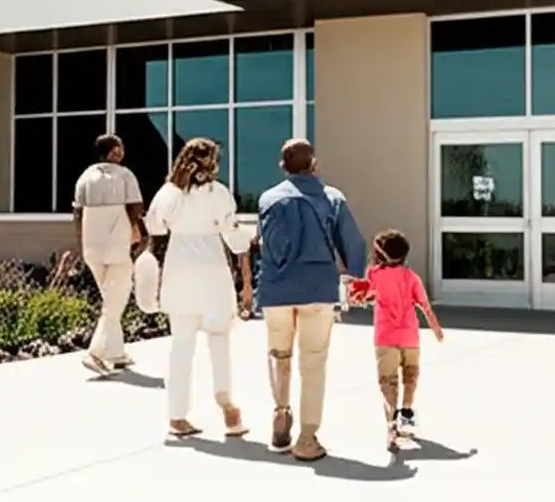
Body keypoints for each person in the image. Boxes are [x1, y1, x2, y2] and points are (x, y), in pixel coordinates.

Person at [256, 138, 367, 462]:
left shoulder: (268, 198)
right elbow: (352, 243)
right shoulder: (331, 197)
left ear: (282, 166)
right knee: (313, 361)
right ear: (313, 164)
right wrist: (357, 277)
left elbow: (267, 243)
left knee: (279, 354)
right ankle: (307, 437)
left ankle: (280, 413)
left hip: (276, 288)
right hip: (318, 286)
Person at [146, 138, 251, 438]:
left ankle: (177, 416)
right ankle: (228, 407)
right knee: (219, 342)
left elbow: (155, 226)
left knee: (181, 346)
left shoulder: (171, 194)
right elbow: (233, 238)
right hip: (212, 272)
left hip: (180, 272)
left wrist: (175, 188)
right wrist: (246, 278)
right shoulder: (218, 194)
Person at [72, 133, 145, 376]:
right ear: (113, 152)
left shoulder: (84, 178)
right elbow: (135, 207)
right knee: (117, 299)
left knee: (110, 298)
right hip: (117, 243)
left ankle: (116, 352)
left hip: (91, 246)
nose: (122, 153)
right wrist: (140, 233)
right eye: (120, 148)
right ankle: (95, 353)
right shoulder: (124, 175)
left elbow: (77, 214)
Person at [366, 229, 444, 451]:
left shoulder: (375, 274)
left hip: (385, 337)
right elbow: (425, 305)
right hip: (410, 336)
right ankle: (407, 413)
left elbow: (365, 293)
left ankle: (392, 423)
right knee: (410, 377)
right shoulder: (412, 277)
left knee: (387, 382)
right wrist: (436, 329)